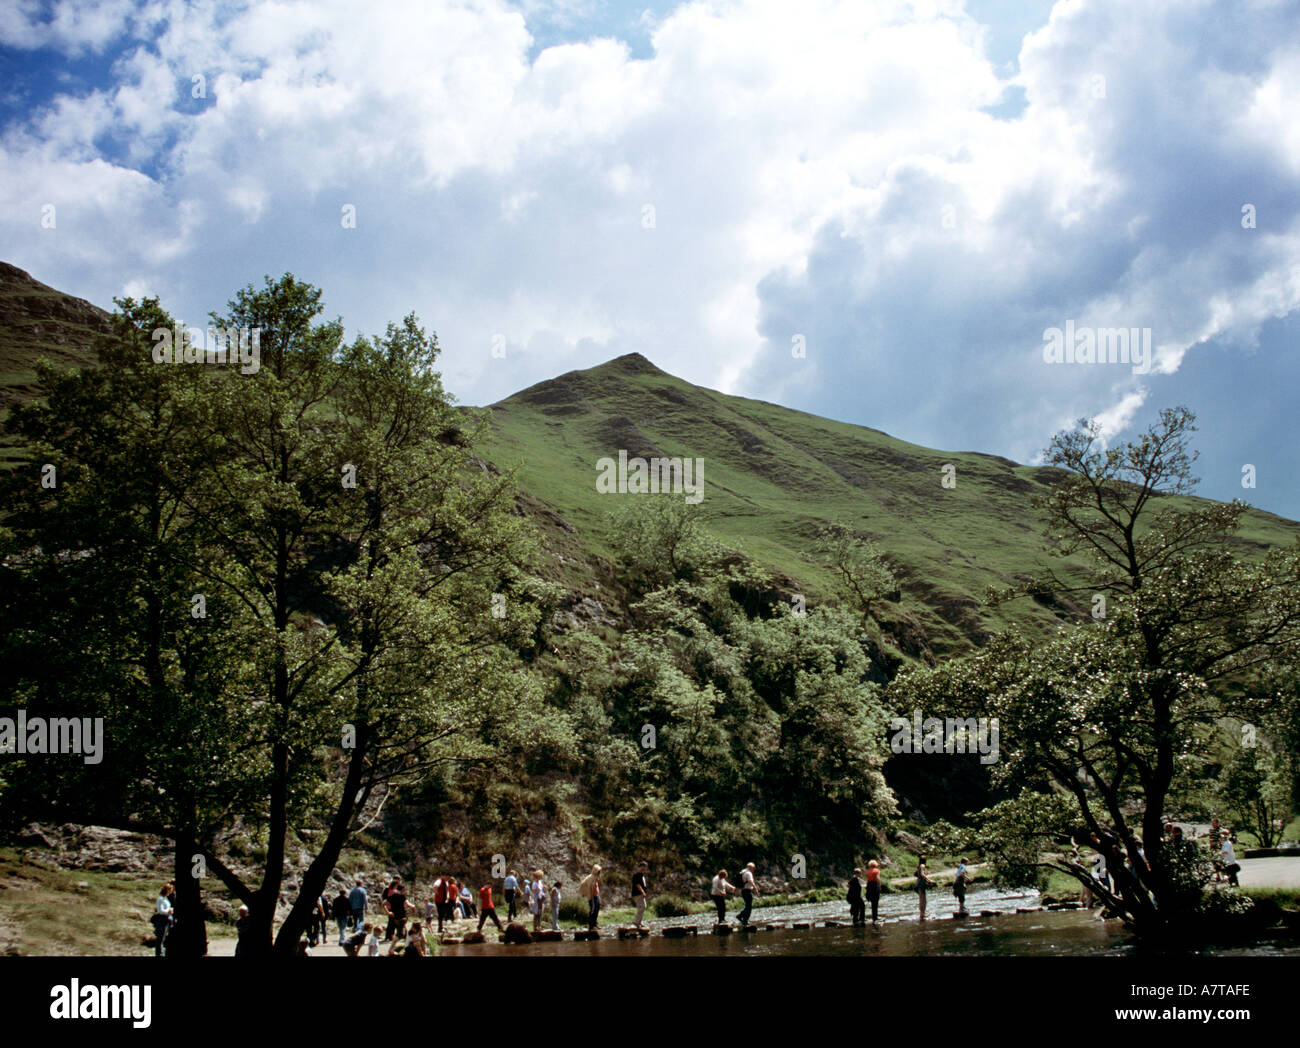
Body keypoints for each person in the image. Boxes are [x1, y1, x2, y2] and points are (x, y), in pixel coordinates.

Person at [151, 883, 173, 957]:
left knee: (163, 938)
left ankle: (161, 953)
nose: (170, 892)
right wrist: (168, 911)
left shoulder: (165, 898)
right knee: (160, 938)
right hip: (162, 919)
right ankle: (159, 954)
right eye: (169, 890)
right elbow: (160, 910)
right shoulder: (160, 899)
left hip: (167, 919)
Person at [631, 861, 650, 928]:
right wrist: (642, 892)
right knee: (641, 907)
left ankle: (639, 922)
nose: (645, 868)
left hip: (640, 894)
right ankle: (636, 922)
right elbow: (637, 885)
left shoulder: (642, 875)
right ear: (640, 866)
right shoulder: (637, 875)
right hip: (637, 893)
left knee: (643, 906)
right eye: (644, 867)